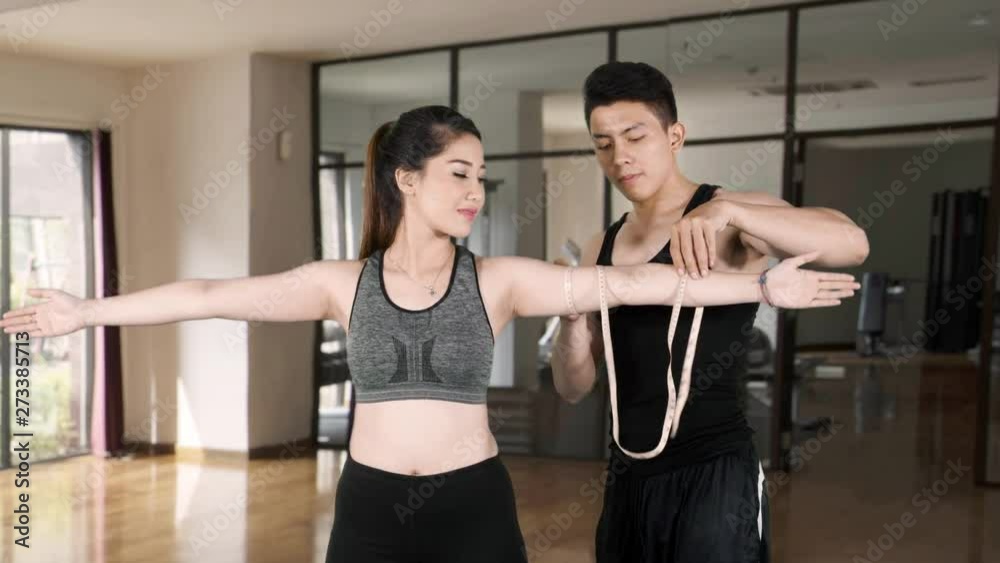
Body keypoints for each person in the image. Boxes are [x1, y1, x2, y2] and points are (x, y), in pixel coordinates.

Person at [0, 105, 859, 563]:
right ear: (406, 179)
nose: (475, 189)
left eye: (481, 176)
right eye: (459, 173)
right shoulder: (342, 283)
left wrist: (760, 284)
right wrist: (85, 312)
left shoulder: (499, 280)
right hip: (371, 507)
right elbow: (210, 292)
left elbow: (629, 280)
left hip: (473, 508)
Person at [550, 62, 871, 563]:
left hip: (716, 475)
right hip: (626, 479)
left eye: (635, 136)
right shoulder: (600, 246)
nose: (620, 156)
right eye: (603, 143)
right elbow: (572, 389)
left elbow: (852, 242)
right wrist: (570, 321)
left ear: (674, 135)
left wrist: (732, 211)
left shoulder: (729, 215)